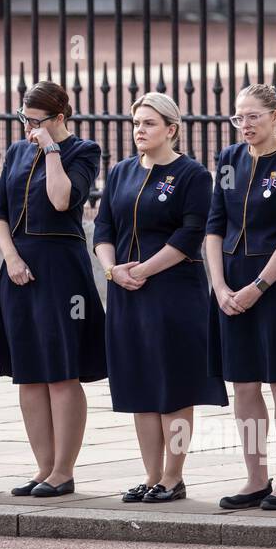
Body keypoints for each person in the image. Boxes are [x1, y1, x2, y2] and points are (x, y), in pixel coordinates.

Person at [94, 93, 227, 503]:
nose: (140, 131)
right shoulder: (120, 172)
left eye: (149, 123)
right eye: (136, 123)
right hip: (126, 291)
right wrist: (112, 269)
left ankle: (173, 476)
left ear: (171, 129)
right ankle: (151, 475)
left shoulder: (192, 175)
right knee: (139, 382)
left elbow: (189, 235)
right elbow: (103, 228)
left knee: (173, 386)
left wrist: (143, 270)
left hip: (171, 291)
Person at [204, 84, 276, 511]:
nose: (246, 125)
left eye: (254, 116)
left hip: (274, 282)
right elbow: (215, 225)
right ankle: (255, 477)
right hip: (230, 282)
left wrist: (259, 287)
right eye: (239, 117)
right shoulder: (229, 159)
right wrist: (219, 286)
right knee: (243, 383)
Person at [0, 81, 106, 498]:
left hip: (60, 267)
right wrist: (11, 258)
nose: (28, 129)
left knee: (61, 371)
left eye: (36, 121)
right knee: (29, 374)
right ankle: (42, 467)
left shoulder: (83, 151)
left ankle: (63, 469)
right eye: (24, 119)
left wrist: (51, 149)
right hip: (18, 265)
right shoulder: (17, 152)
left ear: (59, 119)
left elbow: (62, 200)